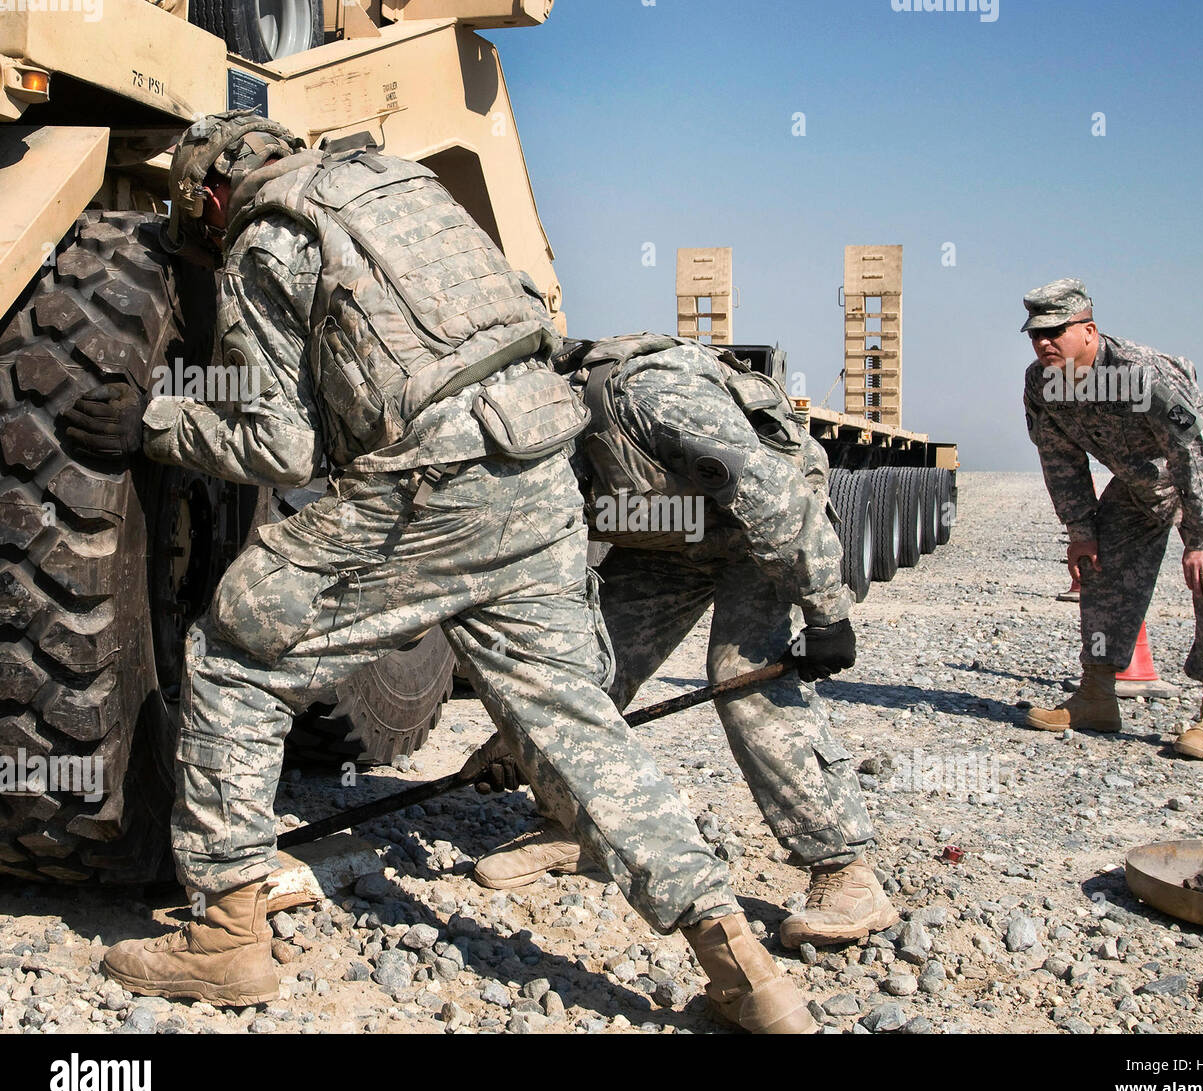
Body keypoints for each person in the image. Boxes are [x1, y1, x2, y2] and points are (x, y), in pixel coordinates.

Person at [63, 112, 812, 1032]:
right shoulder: (403, 187)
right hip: (538, 473)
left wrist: (155, 422)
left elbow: (282, 445)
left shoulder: (270, 232)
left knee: (234, 655)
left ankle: (225, 932)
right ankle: (743, 964)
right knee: (578, 727)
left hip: (432, 485)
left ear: (211, 195)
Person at [468, 334, 897, 948]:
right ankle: (571, 825)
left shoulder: (655, 398)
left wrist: (827, 613)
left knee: (739, 677)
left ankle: (845, 873)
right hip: (666, 532)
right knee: (581, 670)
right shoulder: (509, 435)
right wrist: (521, 736)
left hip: (757, 534)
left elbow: (776, 497)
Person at [1020, 279, 1203, 759]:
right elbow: (1060, 458)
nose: (1044, 342)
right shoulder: (1042, 383)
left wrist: (1201, 536)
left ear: (1089, 330)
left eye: (1056, 331)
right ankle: (1096, 696)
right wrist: (1081, 532)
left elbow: (1193, 448)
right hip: (1143, 475)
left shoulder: (1138, 372)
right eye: (1035, 334)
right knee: (1100, 562)